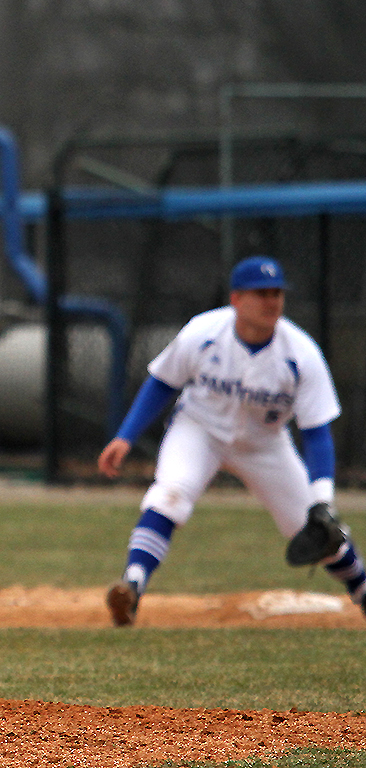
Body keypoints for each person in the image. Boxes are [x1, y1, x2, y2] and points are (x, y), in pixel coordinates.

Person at [98, 255, 365, 626]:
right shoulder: (204, 332)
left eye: (277, 293)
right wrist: (125, 436)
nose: (272, 301)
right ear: (237, 299)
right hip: (199, 430)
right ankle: (132, 588)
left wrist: (323, 500)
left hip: (265, 444)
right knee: (170, 494)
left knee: (317, 530)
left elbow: (317, 432)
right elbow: (163, 382)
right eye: (261, 293)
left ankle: (363, 590)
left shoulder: (301, 354)